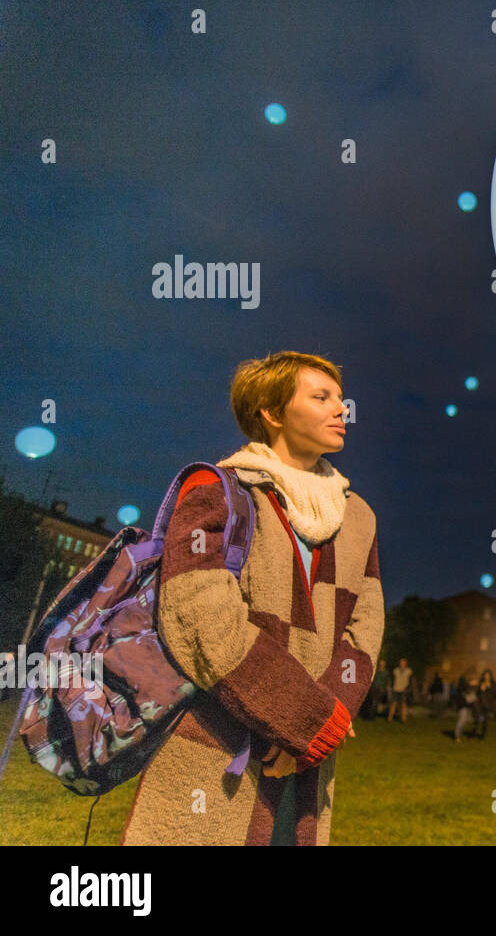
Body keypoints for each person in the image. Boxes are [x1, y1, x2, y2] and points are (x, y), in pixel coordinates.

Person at [122, 351, 383, 845]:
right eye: (321, 397)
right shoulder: (216, 489)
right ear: (272, 410)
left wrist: (316, 724)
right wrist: (302, 721)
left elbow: (365, 630)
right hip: (214, 750)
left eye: (340, 398)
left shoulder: (360, 517)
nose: (341, 409)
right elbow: (198, 619)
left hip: (306, 767)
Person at [474, 670, 496, 739]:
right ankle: (476, 731)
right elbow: (478, 693)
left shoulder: (493, 684)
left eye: (488, 675)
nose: (486, 677)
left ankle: (482, 734)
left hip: (488, 705)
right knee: (480, 718)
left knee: (485, 720)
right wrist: (482, 689)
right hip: (481, 704)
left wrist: (489, 687)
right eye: (485, 675)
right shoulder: (481, 683)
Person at [388, 657, 413, 723]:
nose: (402, 664)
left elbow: (411, 680)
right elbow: (392, 679)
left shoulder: (409, 671)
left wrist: (408, 688)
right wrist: (392, 686)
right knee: (393, 703)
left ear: (406, 664)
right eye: (401, 663)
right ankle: (390, 718)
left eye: (403, 663)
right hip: (396, 689)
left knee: (403, 704)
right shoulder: (396, 670)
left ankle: (403, 719)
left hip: (404, 690)